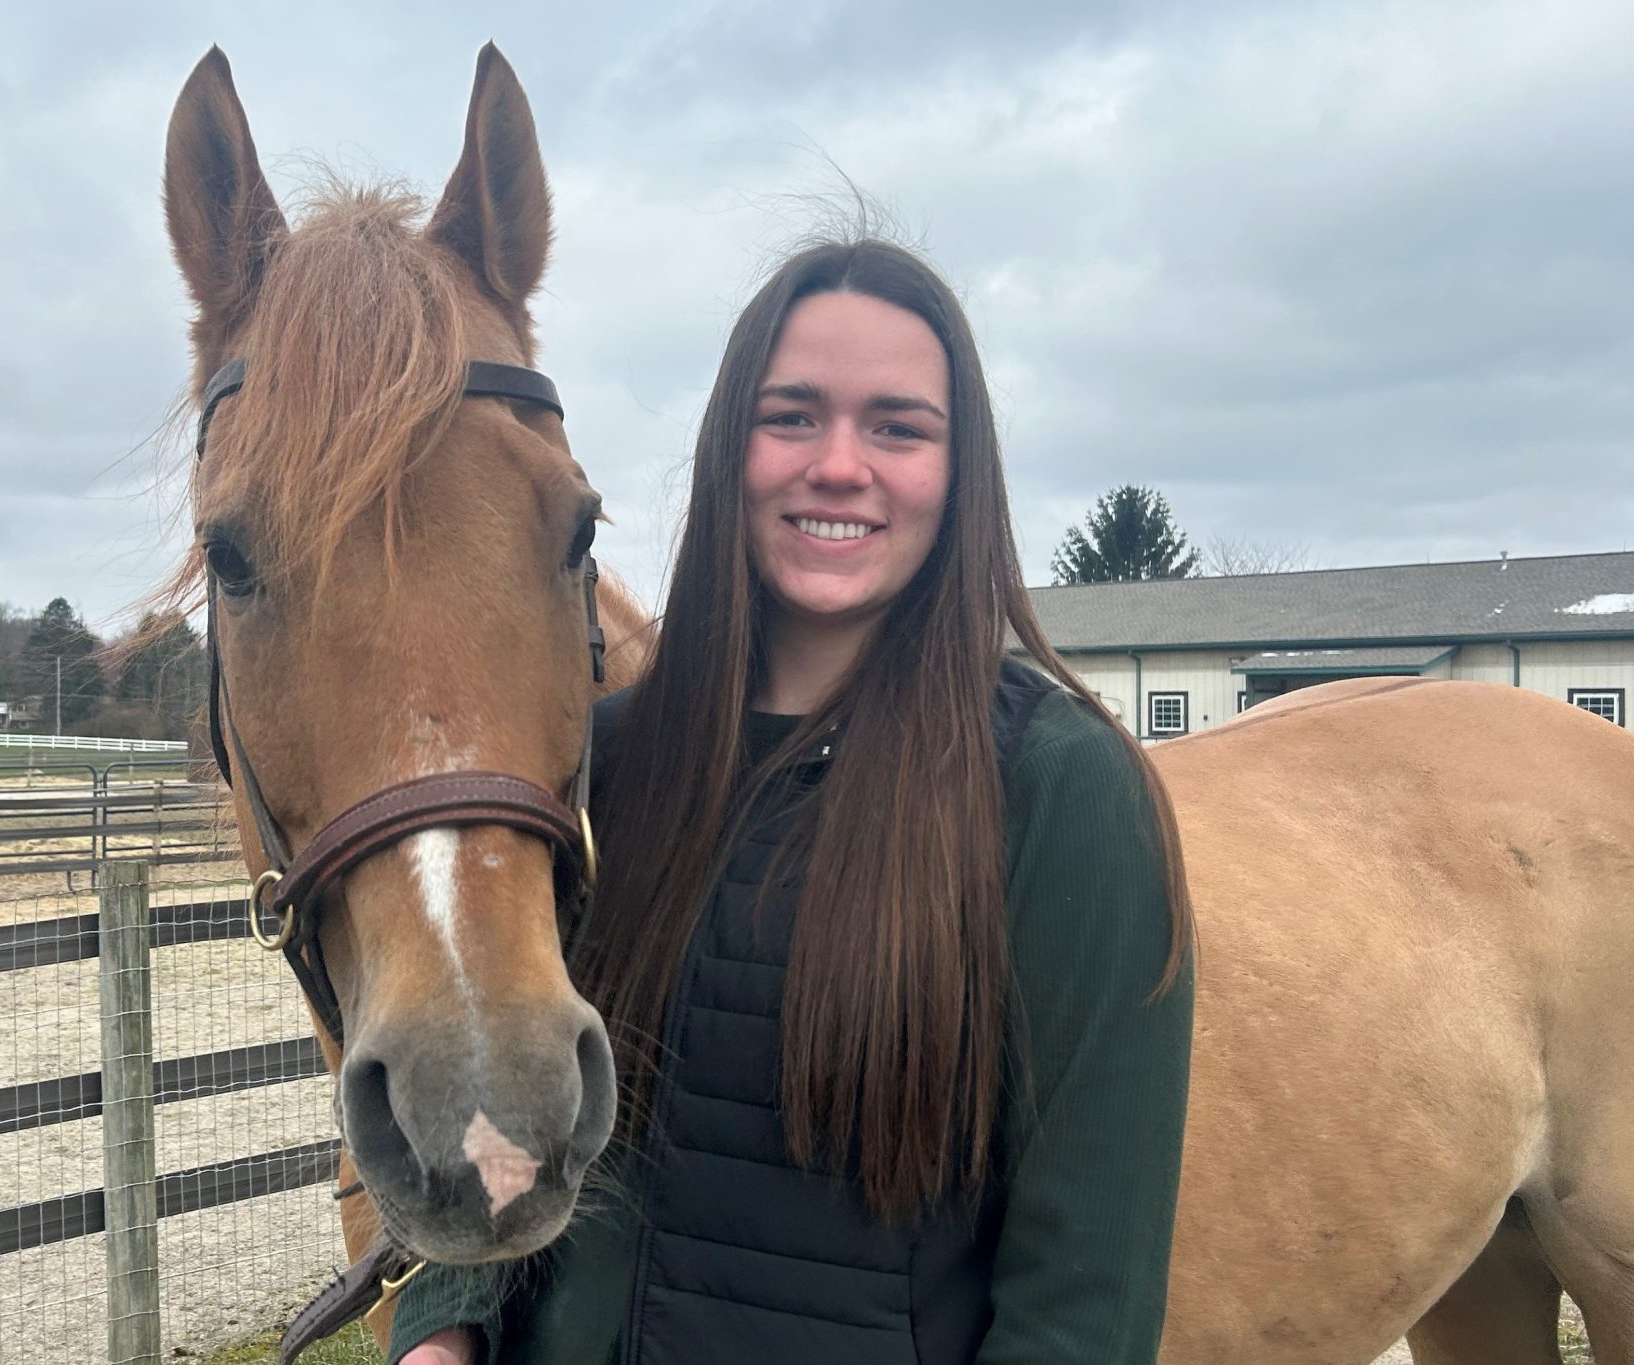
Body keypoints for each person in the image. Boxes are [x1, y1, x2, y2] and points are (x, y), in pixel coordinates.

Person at [386, 237, 1195, 1365]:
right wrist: (449, 1323)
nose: (840, 465)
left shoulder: (1058, 790)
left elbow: (1084, 1299)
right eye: (793, 416)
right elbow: (507, 1110)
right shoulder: (603, 766)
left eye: (898, 427)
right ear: (731, 450)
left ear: (959, 474)